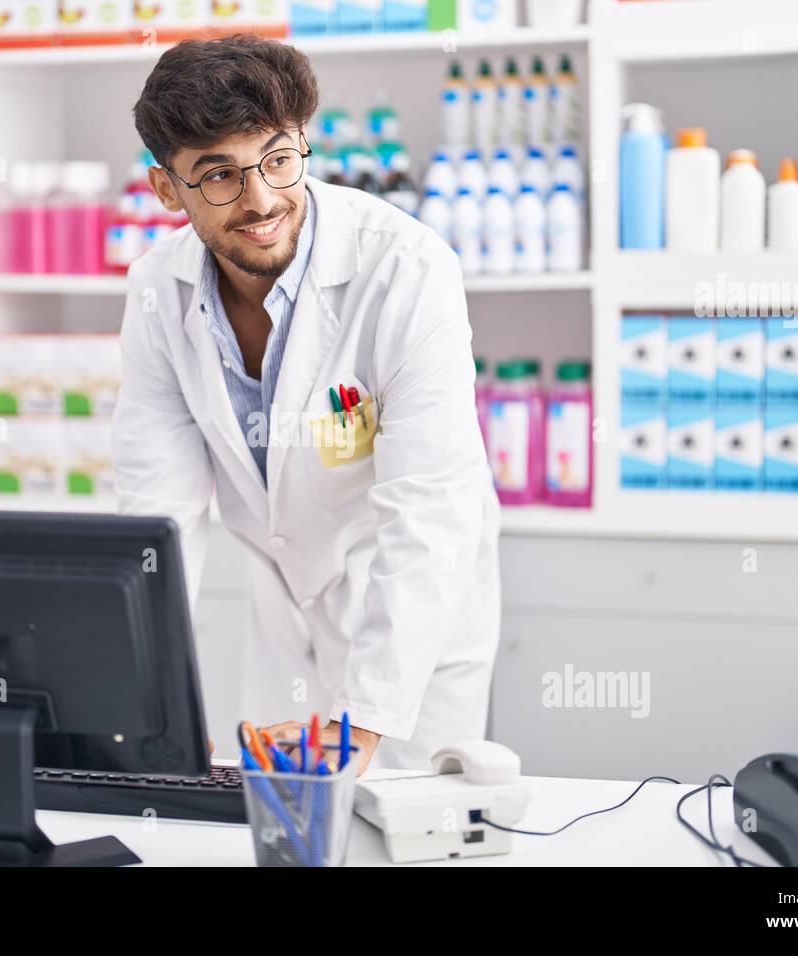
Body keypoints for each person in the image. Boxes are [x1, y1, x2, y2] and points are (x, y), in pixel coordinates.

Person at [115, 33, 500, 772]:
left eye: (278, 159)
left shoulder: (407, 271)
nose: (261, 200)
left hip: (412, 625)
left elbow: (429, 510)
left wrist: (364, 720)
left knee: (402, 833)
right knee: (279, 836)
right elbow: (157, 519)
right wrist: (139, 700)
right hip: (282, 615)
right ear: (168, 190)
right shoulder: (156, 293)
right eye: (220, 175)